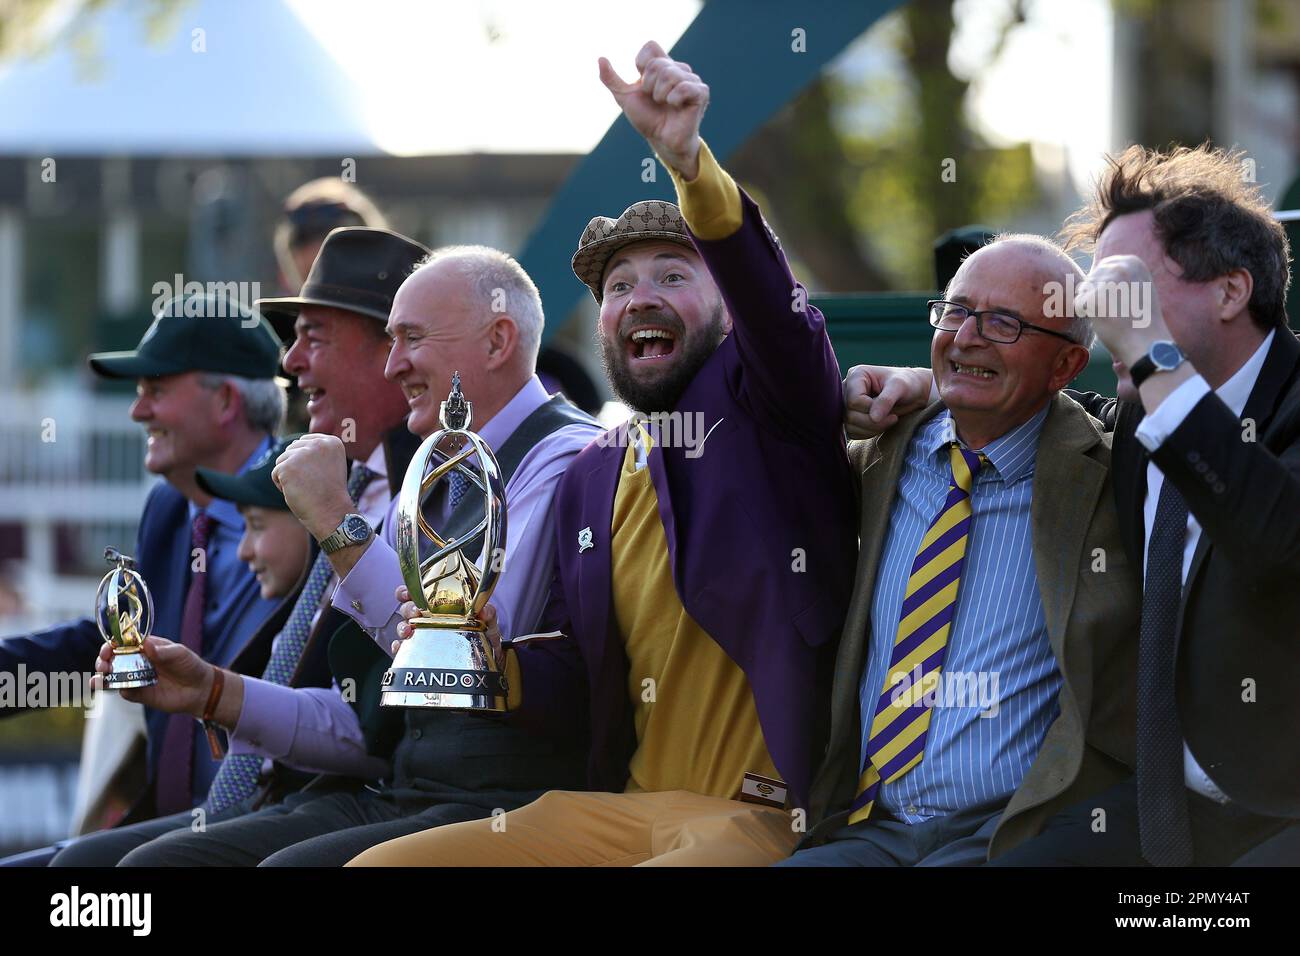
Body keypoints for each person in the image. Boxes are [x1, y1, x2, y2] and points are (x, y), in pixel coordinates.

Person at [349, 40, 858, 867]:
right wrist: (483, 653)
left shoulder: (773, 407)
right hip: (619, 812)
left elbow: (777, 313)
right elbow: (580, 679)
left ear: (728, 309)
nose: (640, 296)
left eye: (673, 275)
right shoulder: (596, 470)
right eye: (618, 287)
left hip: (764, 815)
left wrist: (691, 166)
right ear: (600, 326)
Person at [848, 144, 1300, 867]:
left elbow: (1274, 538)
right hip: (1160, 806)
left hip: (1281, 810)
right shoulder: (1138, 422)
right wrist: (936, 379)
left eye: (1128, 285)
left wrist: (1153, 355)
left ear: (1230, 291)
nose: (1103, 311)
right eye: (1099, 291)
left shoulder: (1219, 402)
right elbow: (1048, 405)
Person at [112, 244, 600, 867]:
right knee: (141, 874)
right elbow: (365, 712)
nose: (396, 366)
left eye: (412, 338)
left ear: (497, 341)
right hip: (403, 789)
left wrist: (334, 521)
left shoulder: (567, 455)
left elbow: (458, 657)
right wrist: (210, 690)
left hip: (507, 803)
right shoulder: (432, 468)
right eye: (391, 340)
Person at [49, 227, 429, 866]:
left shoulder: (355, 494)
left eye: (315, 337)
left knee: (110, 878)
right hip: (262, 800)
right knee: (76, 874)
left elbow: (378, 720)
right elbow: (109, 638)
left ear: (390, 352)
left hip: (353, 801)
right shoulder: (193, 507)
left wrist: (214, 694)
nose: (291, 361)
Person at [774, 233, 1140, 867]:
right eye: (956, 311)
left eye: (1004, 323)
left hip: (1010, 833)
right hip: (867, 827)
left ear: (1067, 368)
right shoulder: (876, 456)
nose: (967, 337)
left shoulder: (1109, 480)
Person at [0, 294, 284, 829]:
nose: (137, 410)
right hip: (172, 828)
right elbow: (118, 642)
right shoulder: (169, 507)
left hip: (262, 831)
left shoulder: (302, 511)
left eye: (156, 390)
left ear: (225, 402)